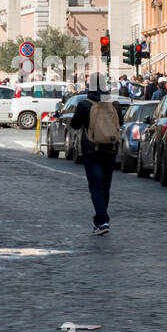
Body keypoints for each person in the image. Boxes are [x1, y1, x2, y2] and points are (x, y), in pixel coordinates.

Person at [70, 72, 121, 235]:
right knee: (105, 187)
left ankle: (102, 220)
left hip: (92, 150)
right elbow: (121, 122)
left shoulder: (85, 104)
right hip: (111, 149)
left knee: (96, 187)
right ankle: (101, 221)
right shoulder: (115, 103)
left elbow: (75, 125)